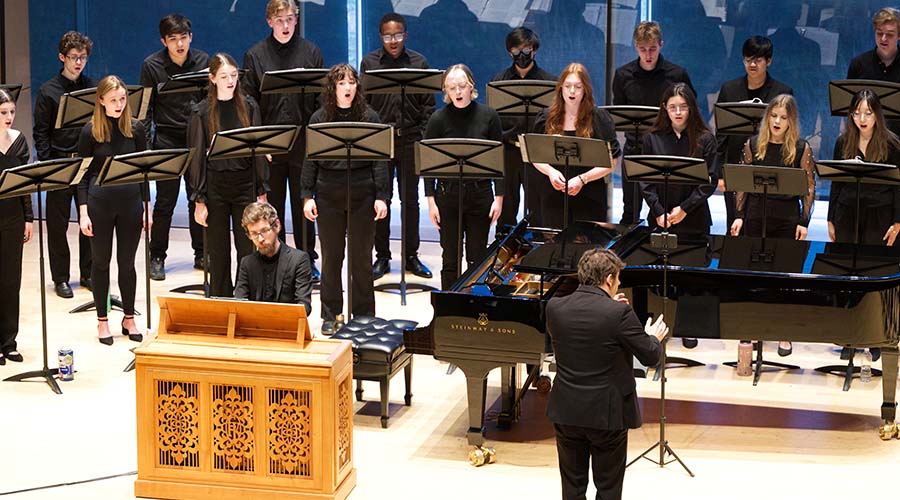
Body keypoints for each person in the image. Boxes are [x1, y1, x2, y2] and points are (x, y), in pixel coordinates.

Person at [545, 248, 666, 500]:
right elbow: (651, 356)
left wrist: (611, 308)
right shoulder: (619, 314)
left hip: (567, 411)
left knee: (572, 488)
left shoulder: (554, 307)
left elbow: (590, 326)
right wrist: (653, 337)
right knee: (608, 489)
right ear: (609, 279)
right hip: (607, 415)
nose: (619, 283)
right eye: (618, 278)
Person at [301, 63, 389, 335]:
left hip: (363, 190)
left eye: (352, 82)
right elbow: (310, 160)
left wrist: (382, 196)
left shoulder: (369, 117)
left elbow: (379, 160)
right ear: (333, 88)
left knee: (362, 257)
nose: (348, 87)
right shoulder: (319, 118)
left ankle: (364, 315)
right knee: (331, 257)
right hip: (328, 192)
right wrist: (306, 196)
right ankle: (330, 314)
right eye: (342, 83)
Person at [243, 0, 324, 279]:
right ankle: (277, 262)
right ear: (269, 22)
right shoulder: (255, 55)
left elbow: (319, 102)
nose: (286, 25)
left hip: (303, 143)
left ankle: (306, 260)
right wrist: (260, 142)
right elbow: (249, 103)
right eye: (280, 20)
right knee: (272, 207)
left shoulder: (311, 52)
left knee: (305, 204)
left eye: (290, 19)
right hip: (270, 144)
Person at [730, 94, 814, 357]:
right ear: (767, 118)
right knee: (754, 275)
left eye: (783, 117)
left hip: (787, 217)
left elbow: (809, 187)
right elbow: (742, 184)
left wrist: (804, 221)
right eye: (774, 116)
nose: (777, 121)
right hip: (756, 215)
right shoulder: (753, 145)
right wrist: (739, 215)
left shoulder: (801, 148)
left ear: (791, 121)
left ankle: (783, 331)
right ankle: (754, 329)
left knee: (783, 277)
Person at [641, 83, 717, 350]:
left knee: (690, 277)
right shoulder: (652, 138)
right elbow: (645, 180)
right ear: (665, 108)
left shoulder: (705, 139)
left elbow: (709, 182)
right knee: (661, 275)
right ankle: (660, 328)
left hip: (693, 218)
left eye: (683, 107)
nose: (678, 112)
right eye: (672, 107)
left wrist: (684, 209)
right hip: (660, 218)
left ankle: (688, 327)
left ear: (691, 108)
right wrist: (659, 211)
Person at [188, 53, 268, 298]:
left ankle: (246, 298)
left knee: (247, 248)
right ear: (212, 79)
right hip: (215, 188)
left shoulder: (250, 106)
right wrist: (199, 200)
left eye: (234, 75)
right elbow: (197, 157)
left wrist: (262, 192)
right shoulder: (202, 112)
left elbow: (258, 151)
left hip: (244, 184)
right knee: (219, 251)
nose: (230, 80)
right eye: (224, 76)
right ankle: (221, 299)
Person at [362, 12, 434, 281]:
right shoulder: (369, 62)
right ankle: (382, 256)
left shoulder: (418, 62)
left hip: (410, 138)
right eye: (388, 36)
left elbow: (428, 104)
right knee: (381, 199)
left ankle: (411, 256)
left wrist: (423, 137)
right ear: (381, 36)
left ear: (406, 34)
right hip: (382, 139)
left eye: (398, 35)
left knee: (411, 201)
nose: (393, 41)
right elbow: (364, 103)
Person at [77, 76, 149, 345]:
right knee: (100, 262)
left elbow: (144, 172)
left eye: (122, 99)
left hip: (131, 204)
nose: (119, 105)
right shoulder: (90, 131)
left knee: (127, 263)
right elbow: (82, 176)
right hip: (99, 205)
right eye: (113, 100)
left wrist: (147, 208)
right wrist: (83, 212)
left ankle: (129, 317)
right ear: (101, 101)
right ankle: (102, 321)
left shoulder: (137, 129)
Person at [140, 13, 209, 280]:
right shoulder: (151, 65)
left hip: (195, 138)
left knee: (198, 198)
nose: (179, 44)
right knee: (165, 202)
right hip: (166, 139)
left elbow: (209, 104)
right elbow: (145, 110)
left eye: (183, 38)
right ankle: (156, 255)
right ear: (163, 41)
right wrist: (145, 146)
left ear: (190, 37)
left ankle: (202, 253)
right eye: (173, 39)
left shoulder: (203, 61)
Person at [423, 64, 504, 290]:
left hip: (480, 194)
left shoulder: (489, 116)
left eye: (461, 86)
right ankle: (447, 308)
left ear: (471, 87)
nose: (457, 92)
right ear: (446, 92)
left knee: (476, 257)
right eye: (451, 88)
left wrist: (499, 197)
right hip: (447, 195)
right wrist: (431, 201)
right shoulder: (437, 119)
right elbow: (429, 165)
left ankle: (472, 305)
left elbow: (498, 161)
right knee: (450, 257)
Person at [612, 21, 695, 225]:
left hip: (667, 152)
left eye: (652, 49)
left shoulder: (676, 75)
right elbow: (618, 115)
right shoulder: (623, 75)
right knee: (629, 212)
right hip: (635, 149)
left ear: (661, 45)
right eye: (642, 49)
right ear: (635, 46)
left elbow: (690, 109)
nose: (648, 55)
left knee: (665, 212)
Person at [32, 31, 95, 299]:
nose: (79, 62)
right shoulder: (48, 91)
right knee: (57, 225)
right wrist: (49, 166)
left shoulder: (92, 87)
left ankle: (88, 274)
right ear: (62, 57)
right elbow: (41, 133)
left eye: (83, 57)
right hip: (60, 163)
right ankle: (61, 278)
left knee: (90, 221)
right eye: (73, 57)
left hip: (87, 163)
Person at [715, 36, 793, 230]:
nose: (752, 64)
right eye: (748, 59)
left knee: (764, 226)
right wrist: (719, 174)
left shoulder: (782, 92)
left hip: (769, 169)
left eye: (757, 60)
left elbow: (789, 135)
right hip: (735, 168)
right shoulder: (729, 89)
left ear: (769, 61)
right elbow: (721, 137)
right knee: (733, 225)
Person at [531, 63, 620, 228]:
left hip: (589, 196)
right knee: (553, 247)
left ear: (585, 89)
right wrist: (551, 172)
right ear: (560, 89)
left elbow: (612, 160)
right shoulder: (545, 117)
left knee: (585, 245)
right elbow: (534, 156)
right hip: (553, 195)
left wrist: (582, 179)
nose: (572, 92)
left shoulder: (598, 118)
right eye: (568, 86)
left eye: (578, 87)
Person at [489, 27, 556, 229]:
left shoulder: (549, 82)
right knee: (506, 208)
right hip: (508, 150)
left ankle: (535, 254)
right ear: (510, 52)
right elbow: (493, 120)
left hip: (537, 153)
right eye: (516, 51)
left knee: (537, 207)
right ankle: (504, 256)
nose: (521, 55)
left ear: (534, 50)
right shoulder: (499, 81)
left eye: (526, 50)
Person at [828, 89, 900, 246]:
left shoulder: (893, 144)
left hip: (880, 214)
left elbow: (898, 187)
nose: (862, 119)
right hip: (847, 212)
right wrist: (830, 218)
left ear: (877, 114)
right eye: (856, 113)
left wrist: (897, 221)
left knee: (873, 262)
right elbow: (836, 183)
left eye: (868, 113)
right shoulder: (843, 142)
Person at [0, 89, 34, 364]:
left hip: (12, 218)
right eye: (3, 113)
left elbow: (24, 185)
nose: (9, 117)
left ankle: (9, 342)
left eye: (11, 112)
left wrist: (29, 218)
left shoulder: (19, 141)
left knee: (12, 281)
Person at [234, 201, 313, 315]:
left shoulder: (299, 260)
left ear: (277, 225)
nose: (260, 239)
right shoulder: (247, 263)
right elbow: (239, 304)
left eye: (264, 231)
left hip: (287, 326)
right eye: (254, 234)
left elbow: (304, 307)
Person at [847, 8, 900, 136]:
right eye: (879, 33)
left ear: (899, 36)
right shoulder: (858, 64)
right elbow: (850, 108)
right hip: (865, 136)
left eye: (890, 34)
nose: (883, 38)